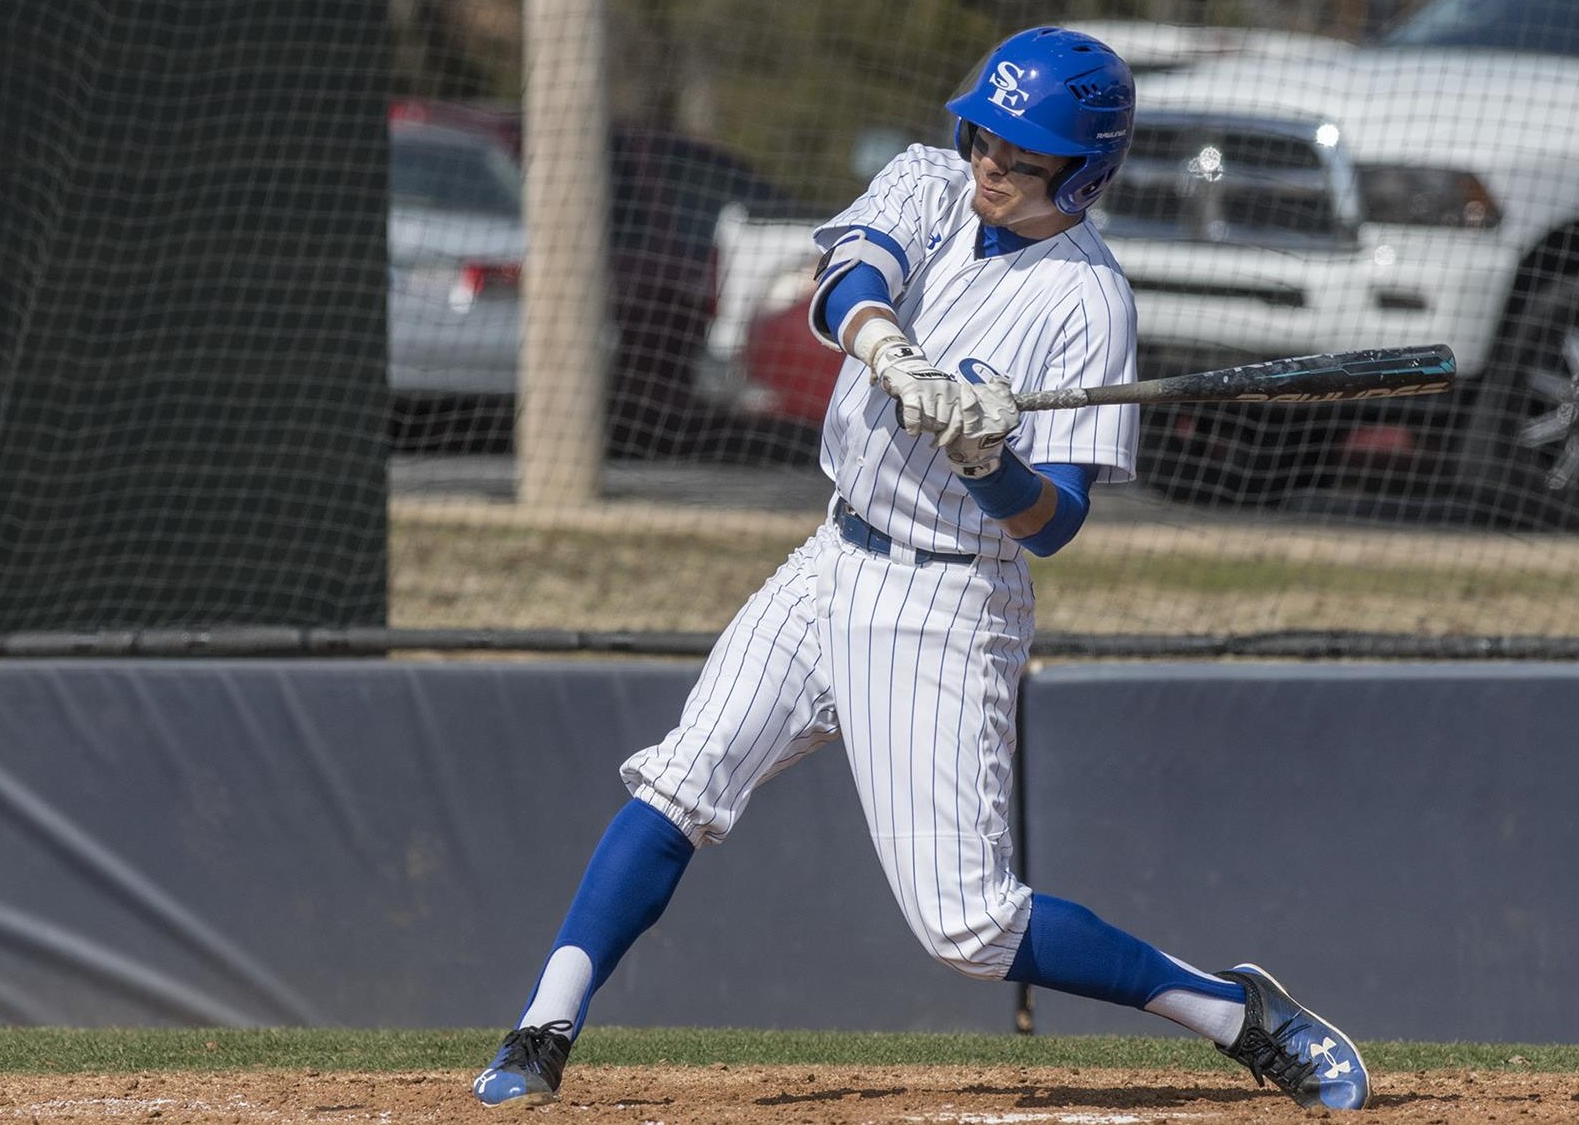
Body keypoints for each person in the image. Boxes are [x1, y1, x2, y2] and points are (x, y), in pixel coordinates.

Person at [471, 26, 1370, 1114]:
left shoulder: (1089, 302)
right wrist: (892, 352)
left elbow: (1053, 522)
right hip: (831, 556)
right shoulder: (932, 182)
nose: (991, 161)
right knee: (681, 780)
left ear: (1082, 172)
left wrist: (988, 461)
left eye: (1022, 153)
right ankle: (542, 1029)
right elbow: (847, 281)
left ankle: (1238, 1014)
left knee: (968, 928)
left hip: (945, 599)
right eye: (983, 135)